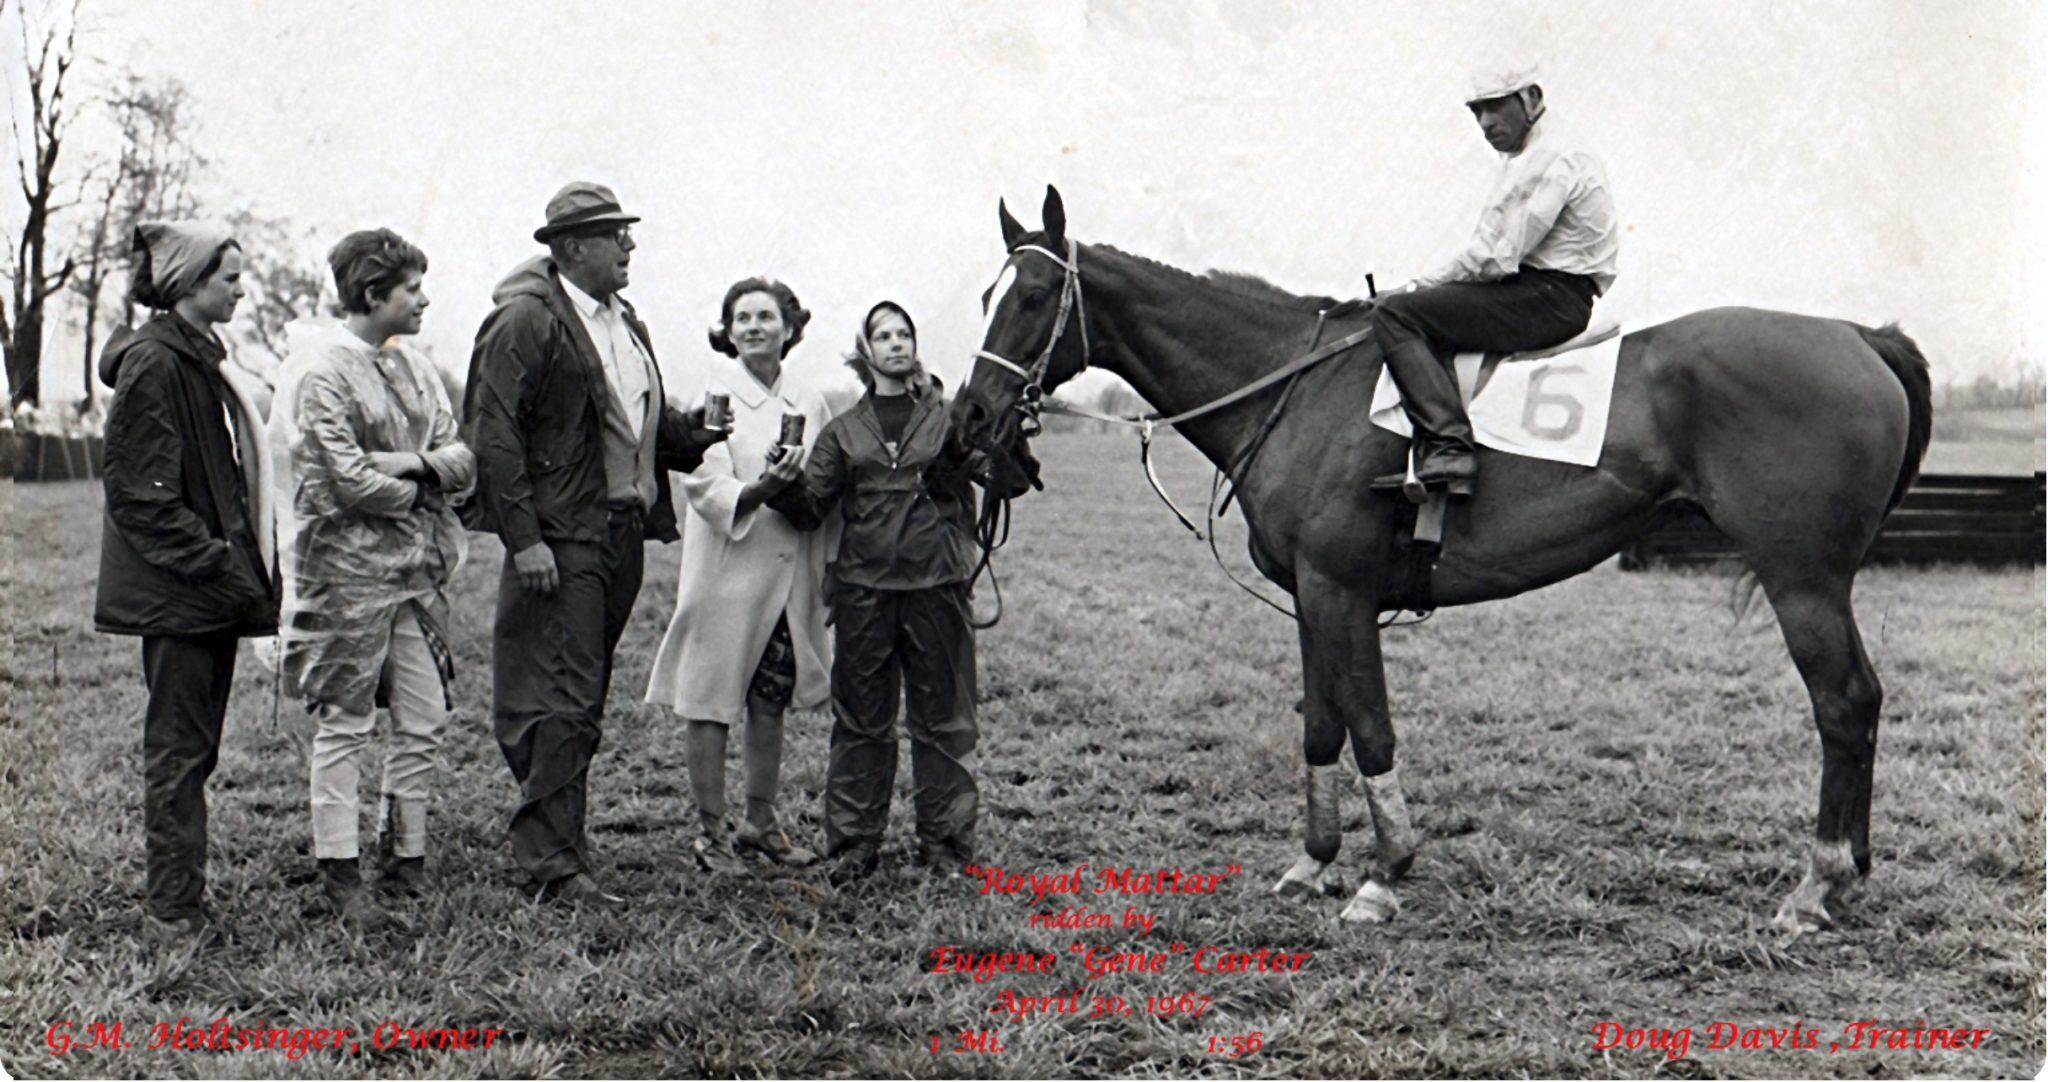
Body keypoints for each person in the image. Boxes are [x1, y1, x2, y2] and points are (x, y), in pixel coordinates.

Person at [462, 182, 725, 908]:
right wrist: (525, 541)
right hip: (562, 537)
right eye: (617, 235)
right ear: (574, 248)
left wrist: (691, 435)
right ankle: (551, 861)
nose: (630, 246)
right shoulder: (525, 322)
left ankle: (560, 839)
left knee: (583, 691)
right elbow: (495, 437)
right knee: (564, 692)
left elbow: (628, 423)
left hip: (619, 534)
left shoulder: (624, 322)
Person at [269, 229, 475, 920]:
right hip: (344, 579)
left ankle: (405, 859)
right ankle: (340, 874)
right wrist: (427, 484)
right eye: (412, 288)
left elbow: (461, 457)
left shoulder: (415, 366)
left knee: (425, 717)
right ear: (371, 293)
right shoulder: (322, 372)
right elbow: (345, 480)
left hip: (417, 577)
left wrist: (414, 464)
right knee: (346, 724)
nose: (424, 299)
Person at [761, 301, 994, 886]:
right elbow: (811, 507)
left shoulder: (946, 419)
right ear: (866, 353)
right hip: (863, 591)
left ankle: (944, 844)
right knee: (862, 721)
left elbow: (997, 474)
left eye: (904, 333)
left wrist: (1007, 441)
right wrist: (779, 483)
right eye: (883, 335)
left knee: (943, 719)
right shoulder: (842, 431)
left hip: (936, 586)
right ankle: (854, 844)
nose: (896, 343)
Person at [94, 221, 276, 943]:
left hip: (203, 589)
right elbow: (140, 493)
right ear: (187, 284)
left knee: (194, 748)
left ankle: (182, 899)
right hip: (181, 594)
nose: (240, 288)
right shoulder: (157, 364)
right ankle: (172, 912)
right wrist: (216, 561)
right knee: (179, 749)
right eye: (229, 277)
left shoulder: (197, 357)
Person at [645, 277, 834, 872]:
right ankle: (711, 833)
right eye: (741, 318)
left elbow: (826, 486)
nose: (754, 327)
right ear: (727, 332)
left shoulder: (809, 398)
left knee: (769, 700)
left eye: (766, 317)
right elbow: (705, 482)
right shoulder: (715, 392)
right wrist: (759, 492)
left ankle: (760, 822)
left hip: (785, 572)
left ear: (789, 326)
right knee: (710, 700)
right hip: (726, 570)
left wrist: (805, 504)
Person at [1370, 62, 1619, 496]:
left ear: (1532, 99)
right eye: (1476, 112)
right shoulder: (1529, 153)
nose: (1485, 123)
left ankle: (1450, 445)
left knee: (1396, 314)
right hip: (1540, 290)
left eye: (1495, 108)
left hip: (1548, 297)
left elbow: (1491, 257)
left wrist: (1414, 288)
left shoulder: (1550, 155)